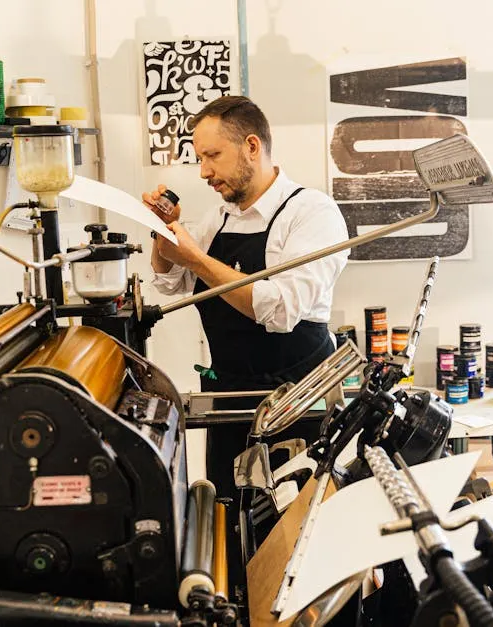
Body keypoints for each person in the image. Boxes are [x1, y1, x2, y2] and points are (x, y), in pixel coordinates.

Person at [143, 95, 349, 585]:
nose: (203, 172)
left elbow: (277, 309)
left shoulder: (312, 214)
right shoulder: (219, 218)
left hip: (298, 401)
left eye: (212, 156)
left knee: (297, 537)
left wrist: (194, 258)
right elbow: (169, 283)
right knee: (229, 528)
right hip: (232, 398)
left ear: (251, 147)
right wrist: (163, 236)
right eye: (199, 158)